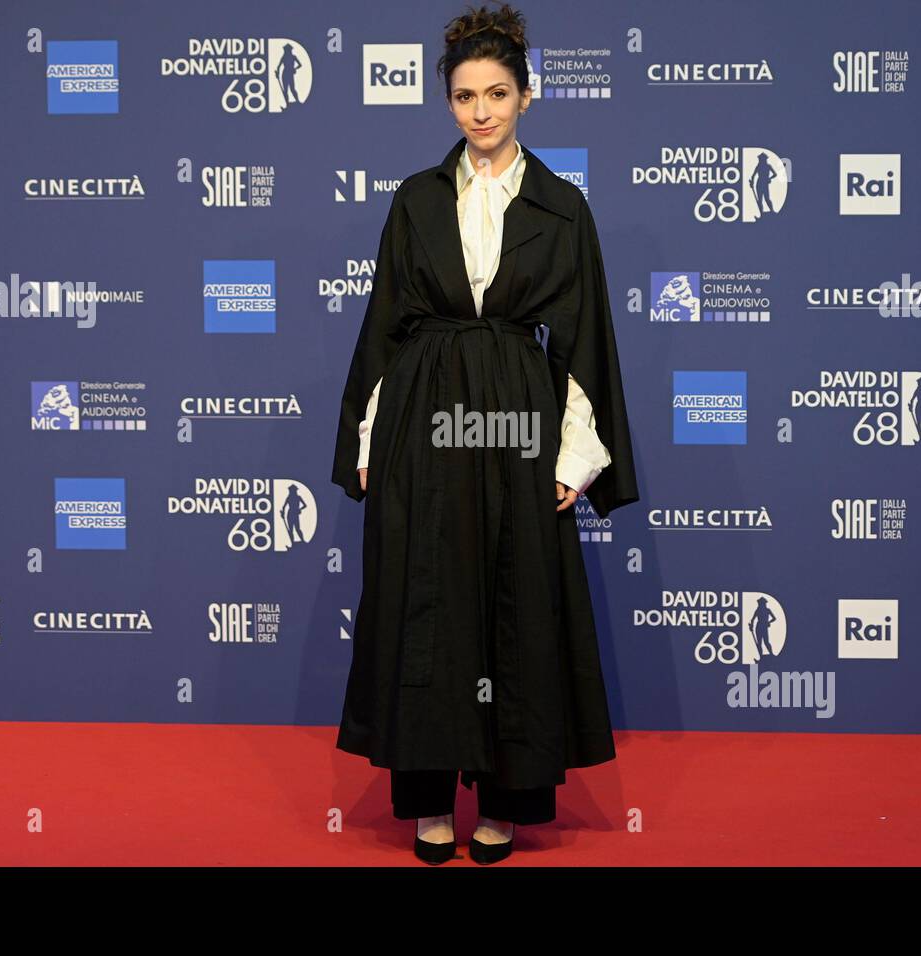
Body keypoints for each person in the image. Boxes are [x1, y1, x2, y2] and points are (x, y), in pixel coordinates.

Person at [330, 2, 638, 864]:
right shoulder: (415, 200)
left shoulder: (562, 207)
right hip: (422, 420)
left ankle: (506, 802)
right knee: (424, 600)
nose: (481, 112)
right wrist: (366, 444)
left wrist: (577, 456)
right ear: (448, 102)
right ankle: (428, 801)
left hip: (517, 419)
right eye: (465, 96)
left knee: (515, 600)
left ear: (526, 96)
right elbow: (384, 329)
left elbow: (584, 339)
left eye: (497, 93)